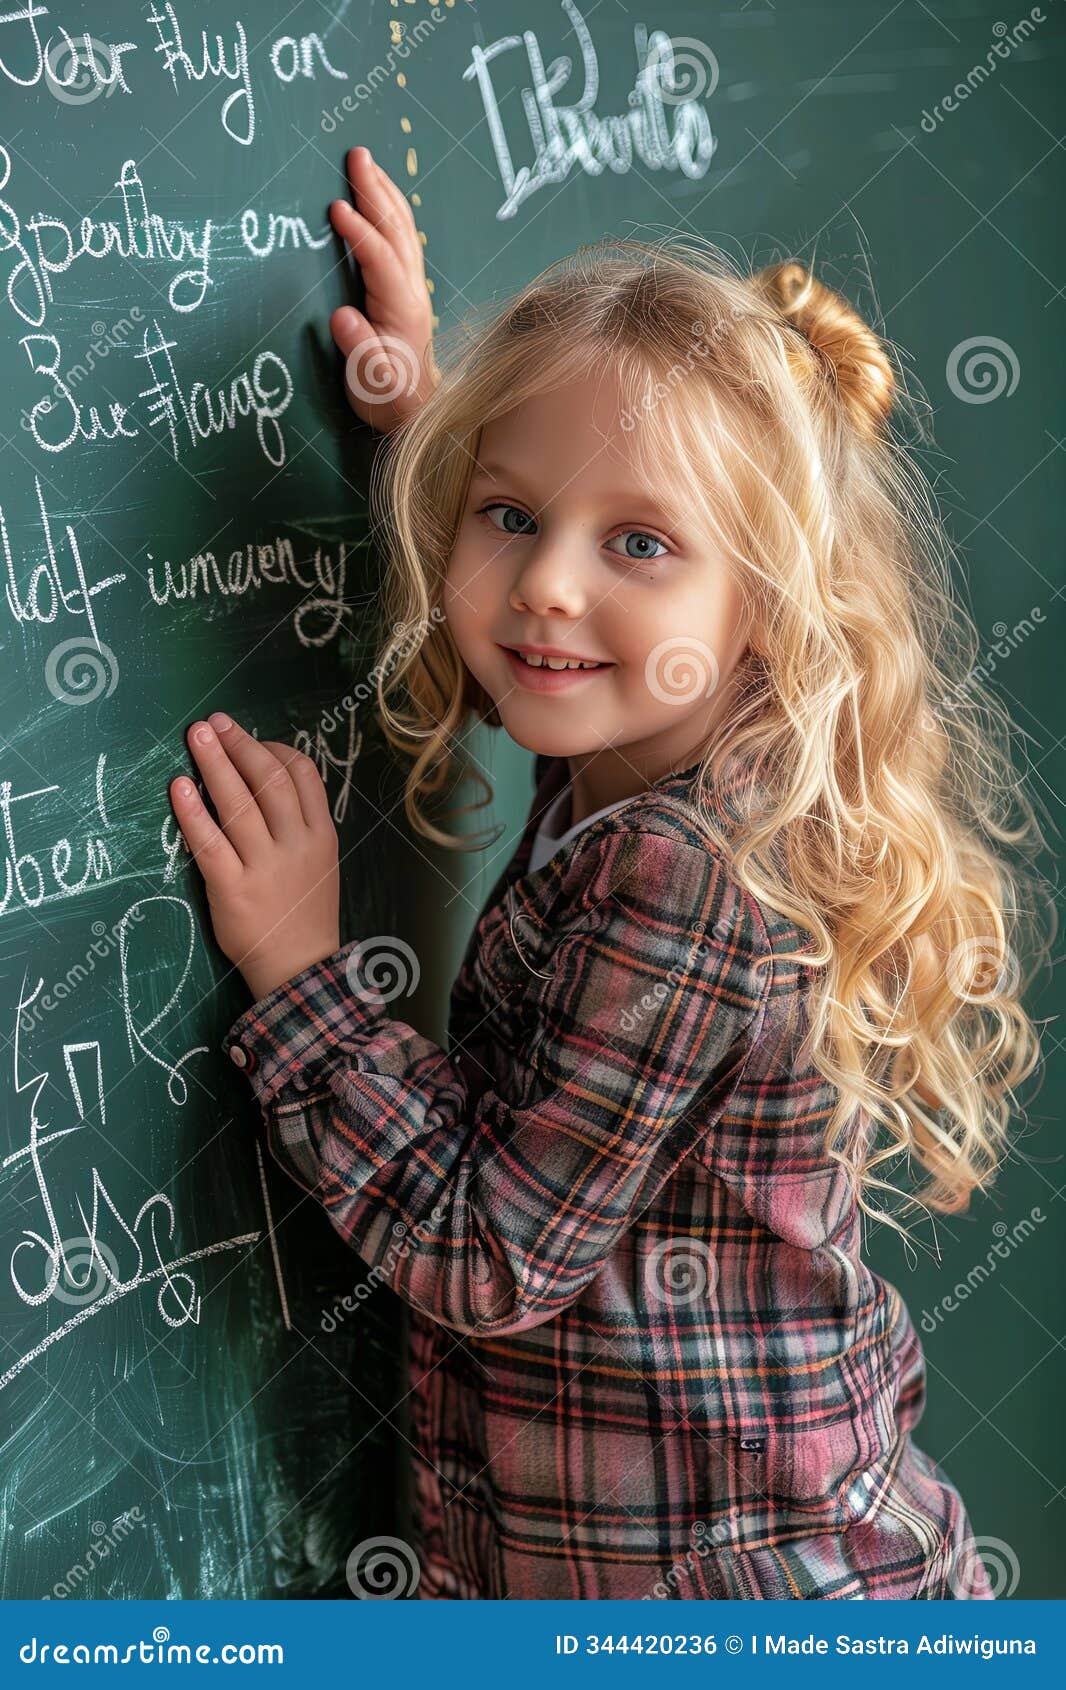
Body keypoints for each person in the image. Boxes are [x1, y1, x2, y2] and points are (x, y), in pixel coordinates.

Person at [167, 147, 1050, 1599]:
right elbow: (554, 606)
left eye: (635, 541)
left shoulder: (686, 873)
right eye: (506, 513)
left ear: (765, 599)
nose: (548, 585)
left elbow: (490, 1251)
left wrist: (301, 974)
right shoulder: (683, 728)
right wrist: (422, 421)